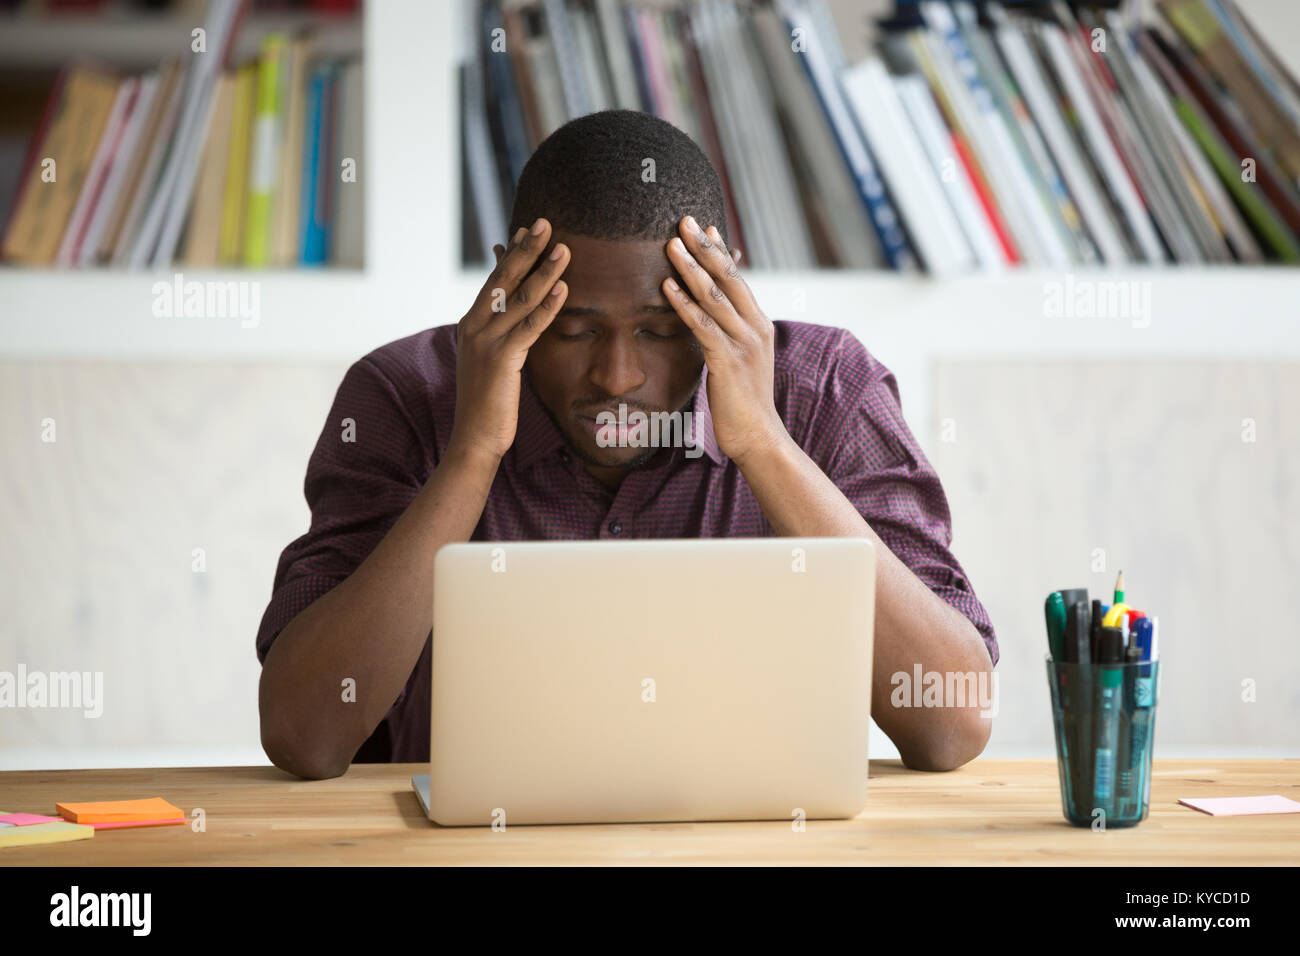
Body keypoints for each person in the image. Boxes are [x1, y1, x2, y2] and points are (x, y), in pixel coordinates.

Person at [256, 110, 997, 780]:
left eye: (663, 330)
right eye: (574, 329)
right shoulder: (404, 396)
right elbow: (306, 735)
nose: (617, 376)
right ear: (508, 284)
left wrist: (766, 445)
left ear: (722, 286)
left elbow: (953, 724)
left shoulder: (826, 391)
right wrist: (473, 452)